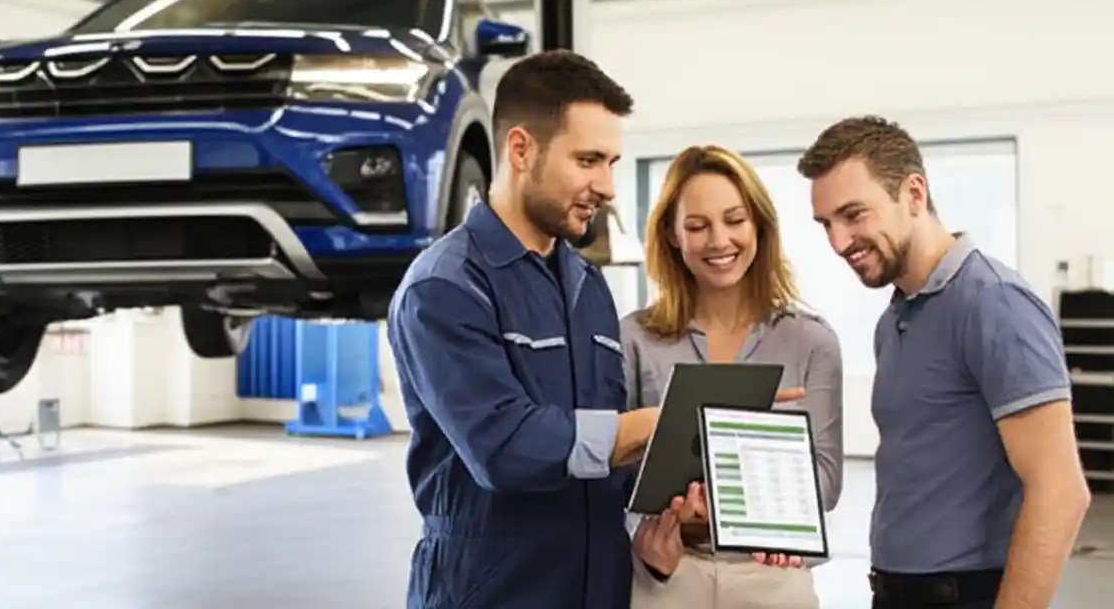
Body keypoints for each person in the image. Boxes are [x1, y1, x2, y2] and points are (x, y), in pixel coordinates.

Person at [386, 49, 664, 609]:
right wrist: (660, 424)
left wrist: (669, 511)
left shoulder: (587, 285)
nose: (607, 186)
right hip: (494, 591)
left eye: (612, 161)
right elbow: (505, 448)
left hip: (595, 588)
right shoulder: (444, 288)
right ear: (520, 149)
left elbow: (598, 450)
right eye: (588, 160)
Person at [796, 116, 1092, 609]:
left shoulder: (994, 303)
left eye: (854, 215)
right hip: (895, 592)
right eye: (827, 224)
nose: (839, 242)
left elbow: (1060, 491)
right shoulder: (894, 319)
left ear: (914, 194)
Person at [620, 145, 845, 608]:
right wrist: (645, 536)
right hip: (667, 575)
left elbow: (825, 480)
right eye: (697, 226)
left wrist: (727, 498)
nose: (719, 241)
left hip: (773, 576)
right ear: (672, 235)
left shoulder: (811, 341)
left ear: (759, 225)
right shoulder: (635, 338)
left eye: (735, 220)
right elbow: (613, 470)